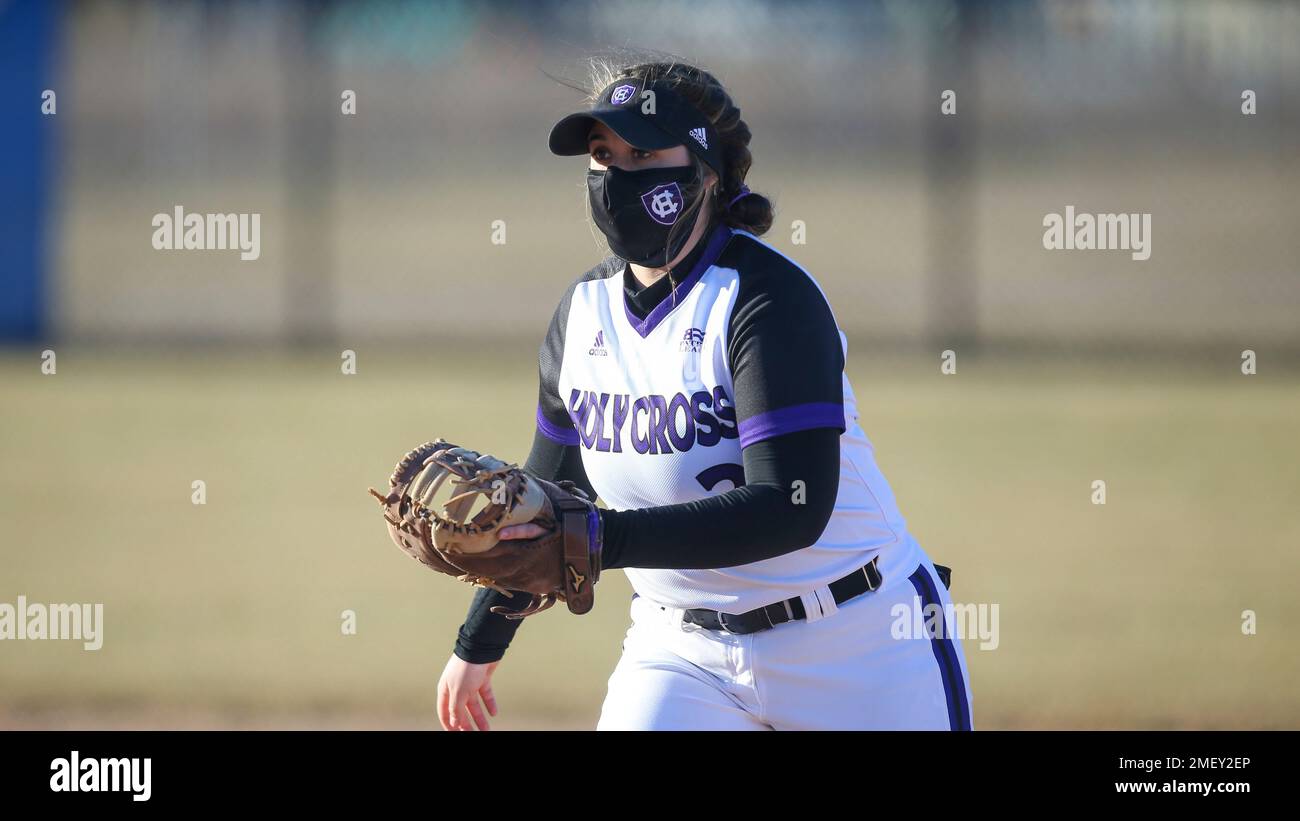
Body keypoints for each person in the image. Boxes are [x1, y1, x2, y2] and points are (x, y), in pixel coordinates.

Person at [436, 59, 972, 731]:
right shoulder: (583, 316)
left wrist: (604, 539)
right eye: (602, 154)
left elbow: (790, 507)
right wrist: (478, 645)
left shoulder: (765, 299)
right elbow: (546, 496)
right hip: (681, 652)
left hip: (856, 637)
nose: (615, 176)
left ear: (703, 170)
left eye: (641, 152)